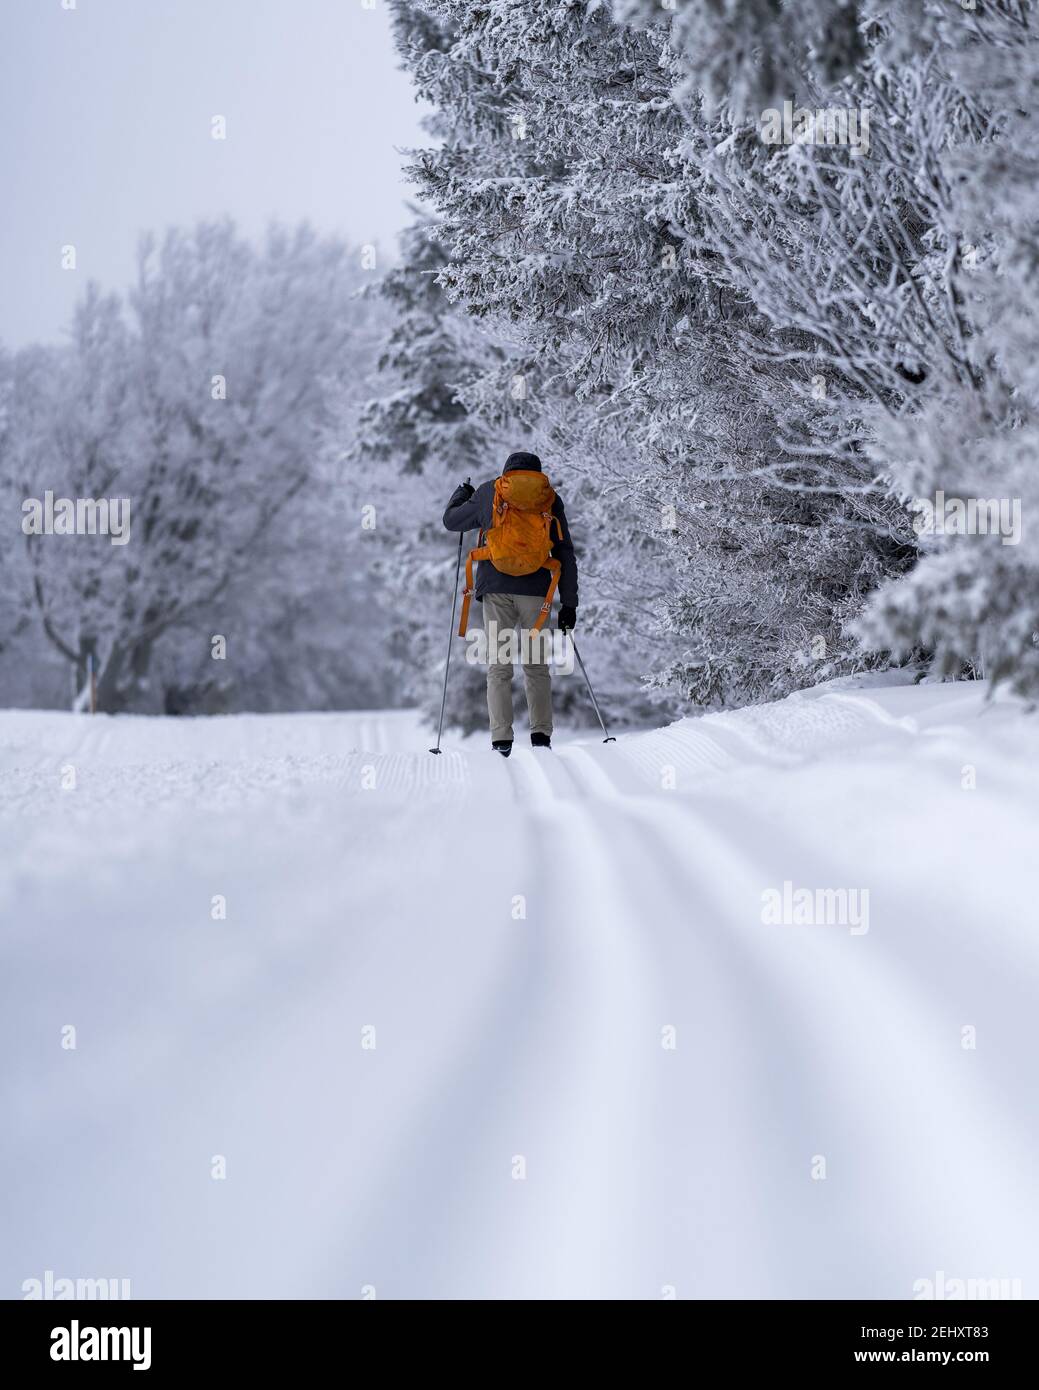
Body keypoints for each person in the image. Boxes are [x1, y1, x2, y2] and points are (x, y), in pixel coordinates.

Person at [443, 451, 578, 756]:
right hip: (537, 591)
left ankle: (501, 739)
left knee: (499, 666)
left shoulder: (491, 491)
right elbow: (565, 551)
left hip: (496, 588)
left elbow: (451, 522)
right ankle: (541, 736)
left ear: (506, 472)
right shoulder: (549, 499)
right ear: (537, 475)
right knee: (536, 665)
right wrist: (569, 604)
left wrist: (460, 495)